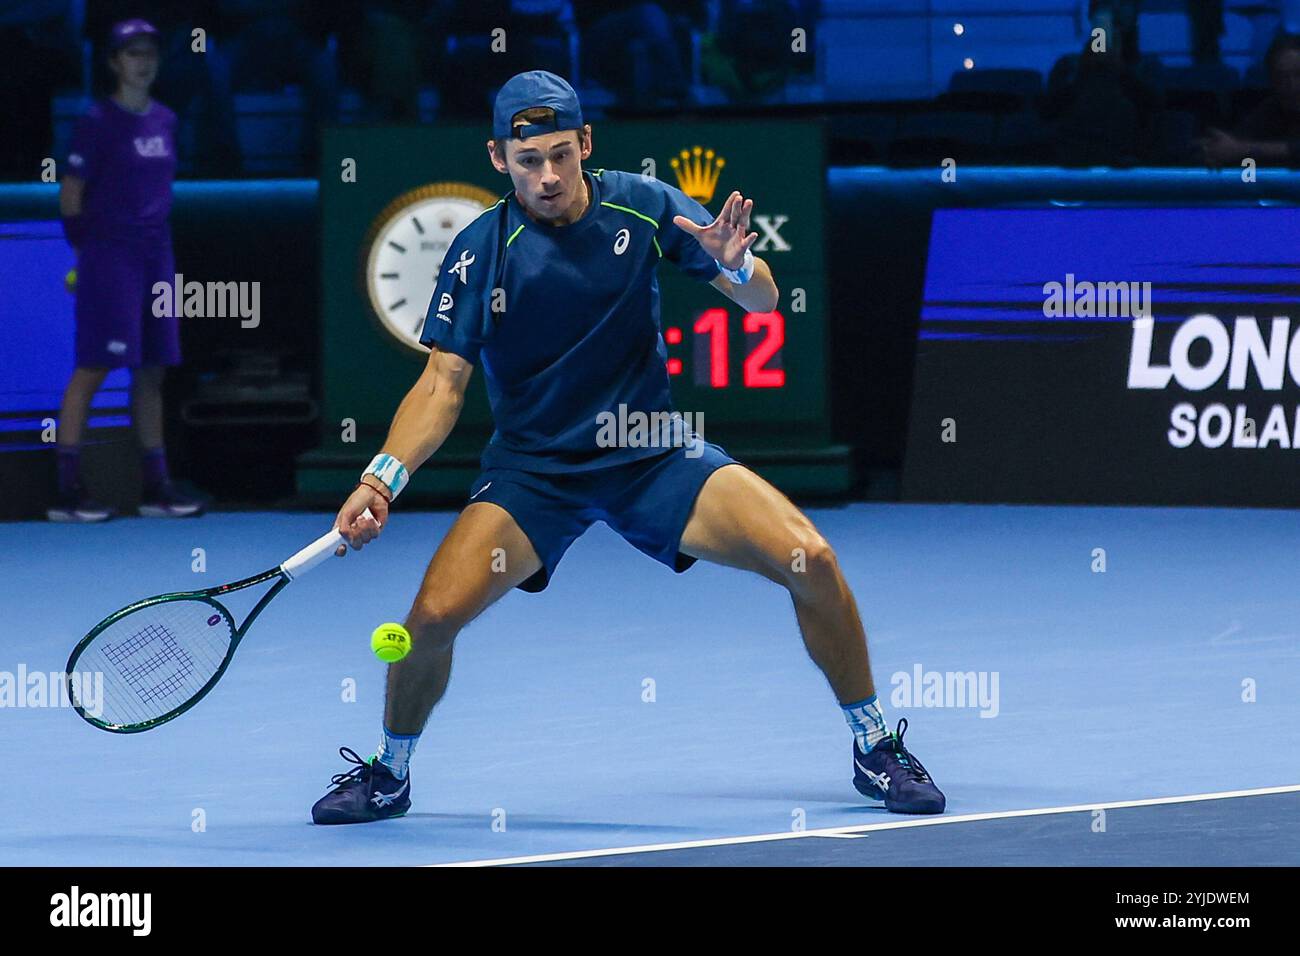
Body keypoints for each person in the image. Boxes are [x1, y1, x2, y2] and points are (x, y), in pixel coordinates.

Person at [310, 71, 945, 824]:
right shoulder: (481, 251)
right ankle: (391, 772)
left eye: (559, 155)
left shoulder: (643, 205)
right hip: (535, 474)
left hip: (651, 454)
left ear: (586, 144)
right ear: (497, 159)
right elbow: (443, 385)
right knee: (430, 622)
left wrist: (736, 265)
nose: (546, 176)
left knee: (813, 559)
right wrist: (380, 481)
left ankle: (875, 747)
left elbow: (765, 300)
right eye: (527, 161)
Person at [53, 19, 203, 521]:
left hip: (158, 258)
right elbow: (71, 194)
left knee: (153, 371)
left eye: (149, 52)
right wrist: (94, 253)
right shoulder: (96, 122)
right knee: (93, 368)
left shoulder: (166, 119)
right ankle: (68, 492)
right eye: (132, 53)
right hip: (109, 259)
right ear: (115, 63)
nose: (143, 61)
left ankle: (157, 488)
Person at [1201, 31, 1300, 169]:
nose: (1292, 85)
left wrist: (1243, 150)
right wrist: (1216, 150)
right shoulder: (1270, 109)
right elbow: (1236, 142)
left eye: (1298, 74)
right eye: (1281, 76)